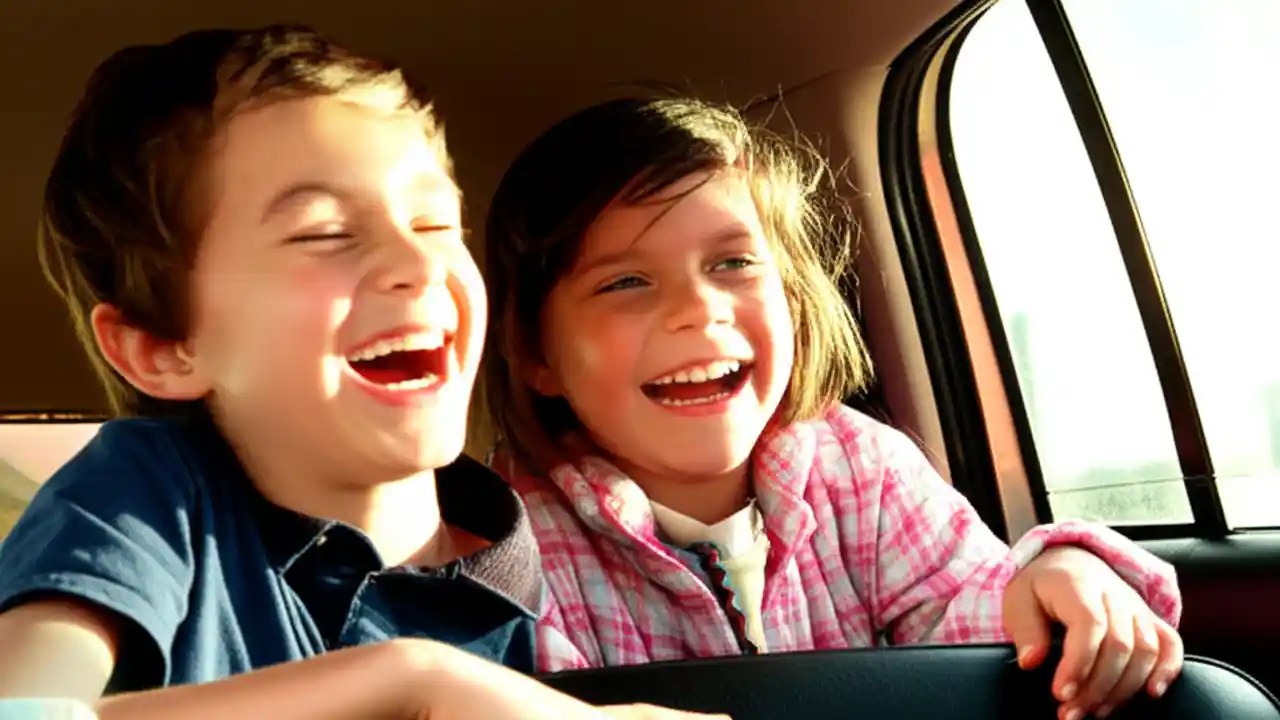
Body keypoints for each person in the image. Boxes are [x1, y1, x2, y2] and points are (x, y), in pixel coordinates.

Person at [0, 27, 721, 720]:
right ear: (162, 349)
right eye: (324, 234)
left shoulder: (568, 564)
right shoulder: (149, 501)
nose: (416, 265)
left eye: (436, 223)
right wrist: (408, 681)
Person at [483, 95, 1184, 720]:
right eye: (627, 281)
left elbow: (985, 621)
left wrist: (1058, 578)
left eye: (734, 264)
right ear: (537, 355)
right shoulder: (513, 545)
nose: (699, 310)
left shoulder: (859, 467)